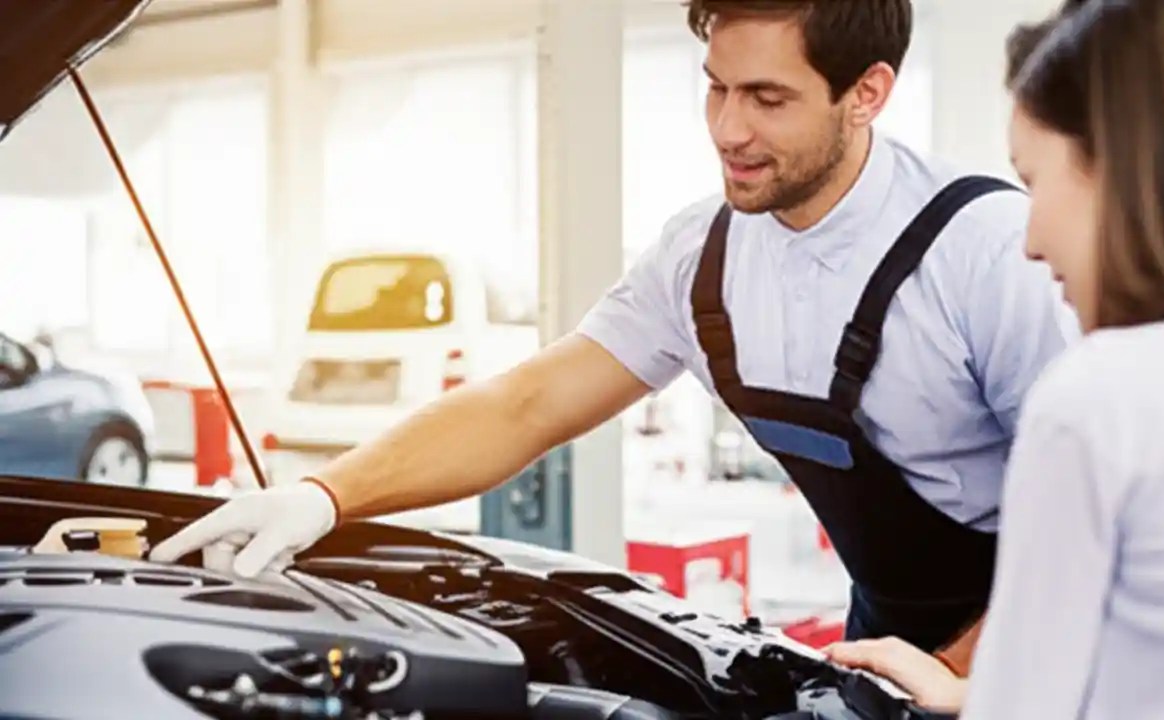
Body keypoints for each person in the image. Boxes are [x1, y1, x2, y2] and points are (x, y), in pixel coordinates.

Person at [150, 0, 1074, 666]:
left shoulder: (989, 254)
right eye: (714, 89)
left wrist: (988, 673)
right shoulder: (700, 258)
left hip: (1046, 642)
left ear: (867, 92)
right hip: (879, 644)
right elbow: (526, 404)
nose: (728, 129)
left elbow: (1107, 512)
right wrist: (322, 496)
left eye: (767, 97)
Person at [822, 0, 1164, 717]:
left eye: (1034, 182)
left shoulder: (1105, 400)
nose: (1031, 241)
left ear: (1126, 171)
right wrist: (971, 690)